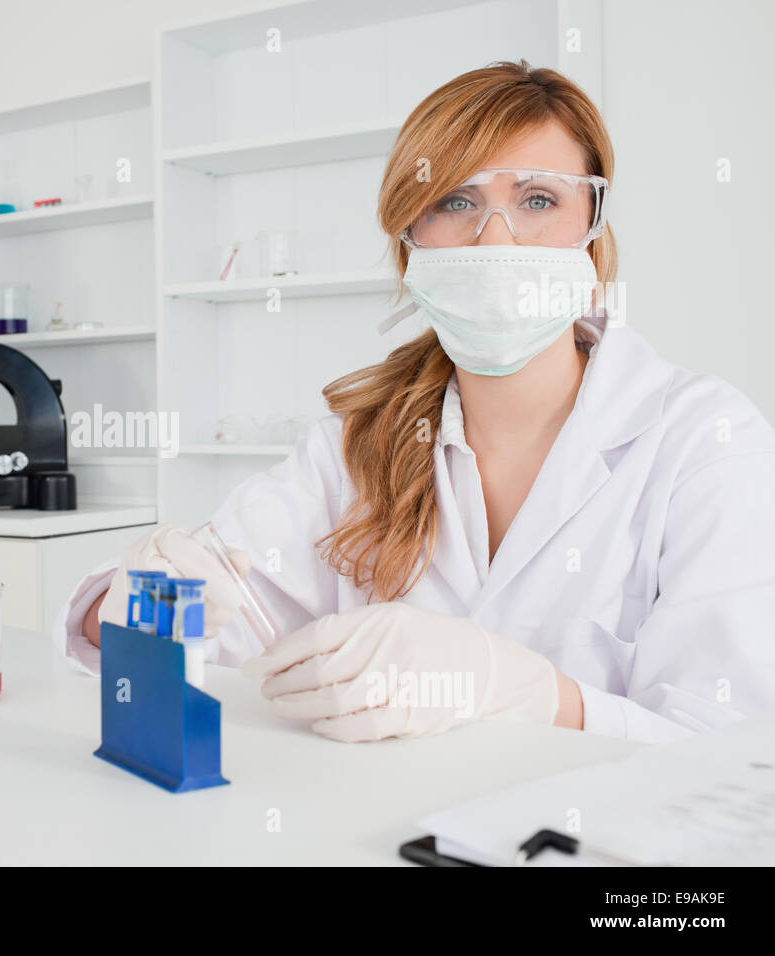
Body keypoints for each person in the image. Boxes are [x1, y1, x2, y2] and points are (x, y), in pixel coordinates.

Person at [55, 62, 775, 744]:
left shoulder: (703, 443)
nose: (496, 237)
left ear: (594, 227)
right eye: (455, 201)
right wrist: (122, 608)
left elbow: (731, 747)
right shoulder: (355, 445)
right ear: (410, 242)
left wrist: (538, 695)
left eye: (537, 199)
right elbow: (225, 626)